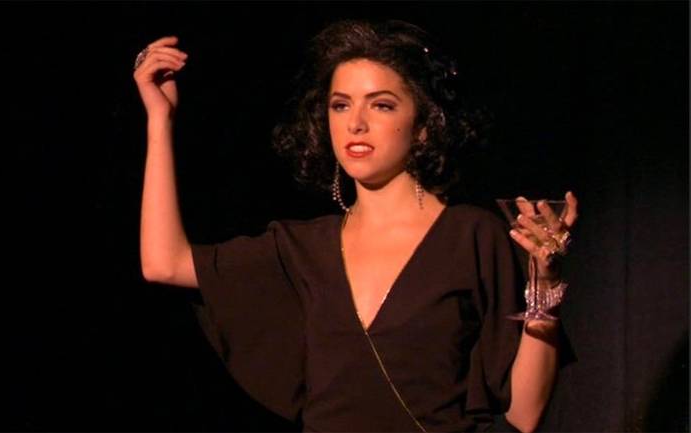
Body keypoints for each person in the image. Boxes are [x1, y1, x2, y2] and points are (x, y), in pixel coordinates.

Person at [133, 19, 579, 432]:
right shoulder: (302, 248)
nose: (356, 124)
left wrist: (545, 282)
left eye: (381, 105)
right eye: (340, 105)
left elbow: (525, 414)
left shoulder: (471, 236)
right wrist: (160, 120)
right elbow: (163, 263)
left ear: (424, 124)